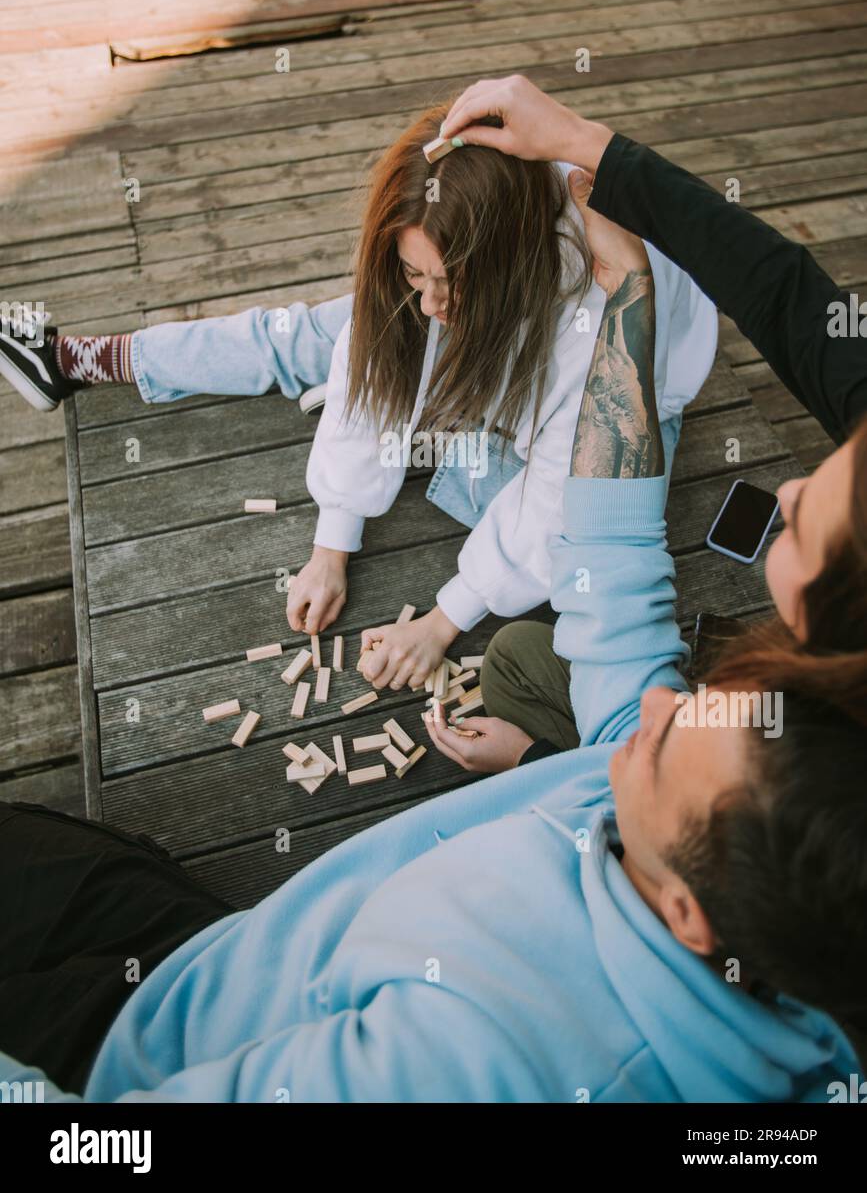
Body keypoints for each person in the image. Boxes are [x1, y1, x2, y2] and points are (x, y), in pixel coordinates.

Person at [0, 194, 862, 1104]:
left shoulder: (461, 1060)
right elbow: (611, 561)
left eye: (660, 748)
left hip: (126, 1043)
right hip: (229, 951)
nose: (648, 707)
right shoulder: (711, 859)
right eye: (688, 704)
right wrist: (628, 284)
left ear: (683, 913)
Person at [0, 102, 716, 690]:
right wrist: (331, 541)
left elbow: (559, 493)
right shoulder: (440, 252)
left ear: (506, 260)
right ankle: (78, 359)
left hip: (635, 396)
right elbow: (369, 368)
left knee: (578, 559)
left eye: (452, 283)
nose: (434, 304)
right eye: (413, 273)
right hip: (502, 344)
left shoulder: (595, 321)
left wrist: (441, 622)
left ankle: (449, 421)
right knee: (318, 331)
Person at [423, 75, 867, 771]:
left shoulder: (806, 773)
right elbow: (787, 293)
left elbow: (650, 756)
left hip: (694, 794)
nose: (789, 492)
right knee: (519, 653)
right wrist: (582, 143)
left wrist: (534, 761)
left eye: (821, 523)